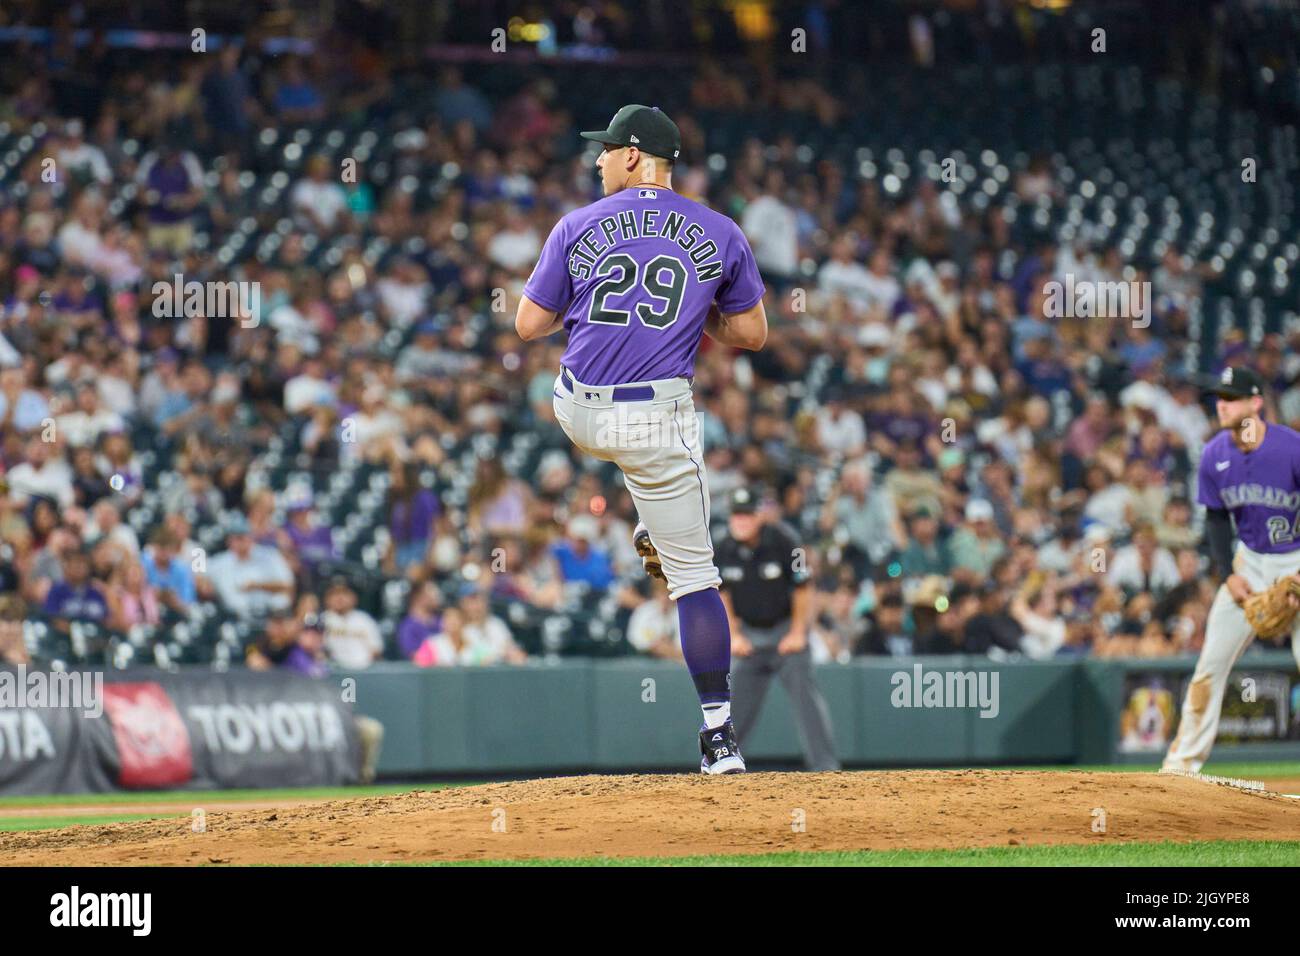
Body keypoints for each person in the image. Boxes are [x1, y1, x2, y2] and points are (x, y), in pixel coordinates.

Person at [516, 104, 767, 773]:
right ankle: (718, 733)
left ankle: (654, 525)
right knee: (695, 579)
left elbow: (527, 325)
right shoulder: (719, 229)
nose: (596, 159)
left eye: (604, 149)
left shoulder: (577, 224)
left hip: (579, 412)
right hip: (656, 421)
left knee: (626, 449)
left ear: (634, 154)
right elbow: (752, 336)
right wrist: (699, 307)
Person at [1164, 368, 1300, 773]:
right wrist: (1228, 573)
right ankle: (1179, 769)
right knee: (1209, 667)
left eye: (1231, 396)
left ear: (1255, 403)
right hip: (1251, 564)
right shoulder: (1214, 454)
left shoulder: (1291, 448)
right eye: (1218, 397)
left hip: (1297, 561)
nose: (1221, 404)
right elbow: (1217, 519)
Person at [715, 487, 840, 771]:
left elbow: (803, 587)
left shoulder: (785, 540)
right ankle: (723, 766)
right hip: (749, 634)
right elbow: (722, 594)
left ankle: (826, 769)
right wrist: (733, 635)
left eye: (747, 514)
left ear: (760, 515)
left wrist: (798, 632)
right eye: (736, 514)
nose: (741, 520)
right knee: (732, 708)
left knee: (807, 699)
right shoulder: (723, 547)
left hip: (785, 631)